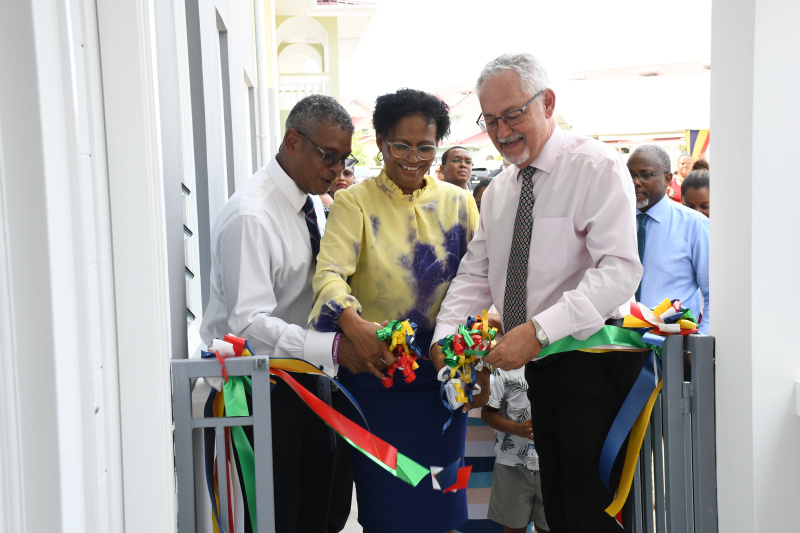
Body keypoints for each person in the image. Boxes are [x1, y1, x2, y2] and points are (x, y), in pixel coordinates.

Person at [431, 53, 643, 532]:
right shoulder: (502, 189)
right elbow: (475, 274)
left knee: (591, 512)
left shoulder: (595, 167)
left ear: (547, 103)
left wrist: (540, 330)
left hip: (592, 363)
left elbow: (619, 271)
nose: (502, 131)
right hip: (538, 370)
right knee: (560, 512)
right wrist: (444, 338)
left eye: (513, 115)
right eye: (490, 120)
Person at [200, 94, 388, 533]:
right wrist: (336, 347)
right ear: (291, 141)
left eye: (345, 158)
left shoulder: (309, 205)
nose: (338, 171)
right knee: (275, 517)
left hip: (307, 378)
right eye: (329, 156)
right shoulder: (252, 215)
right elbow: (246, 325)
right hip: (258, 392)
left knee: (322, 512)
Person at [309, 88, 479, 533]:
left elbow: (481, 281)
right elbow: (328, 275)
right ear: (380, 141)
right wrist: (352, 323)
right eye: (400, 145)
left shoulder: (460, 203)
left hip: (444, 383)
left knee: (444, 502)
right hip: (376, 377)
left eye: (425, 146)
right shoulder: (354, 203)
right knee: (387, 512)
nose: (412, 157)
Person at [627, 145, 710, 334]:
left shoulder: (695, 225)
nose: (635, 182)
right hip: (620, 343)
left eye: (645, 174)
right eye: (630, 175)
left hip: (671, 344)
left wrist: (698, 346)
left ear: (667, 179)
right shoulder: (615, 222)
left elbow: (712, 294)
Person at [482, 367, 550, 533]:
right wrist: (517, 428)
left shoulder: (558, 363)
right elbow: (487, 412)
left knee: (549, 525)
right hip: (511, 465)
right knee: (513, 527)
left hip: (551, 465)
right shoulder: (503, 368)